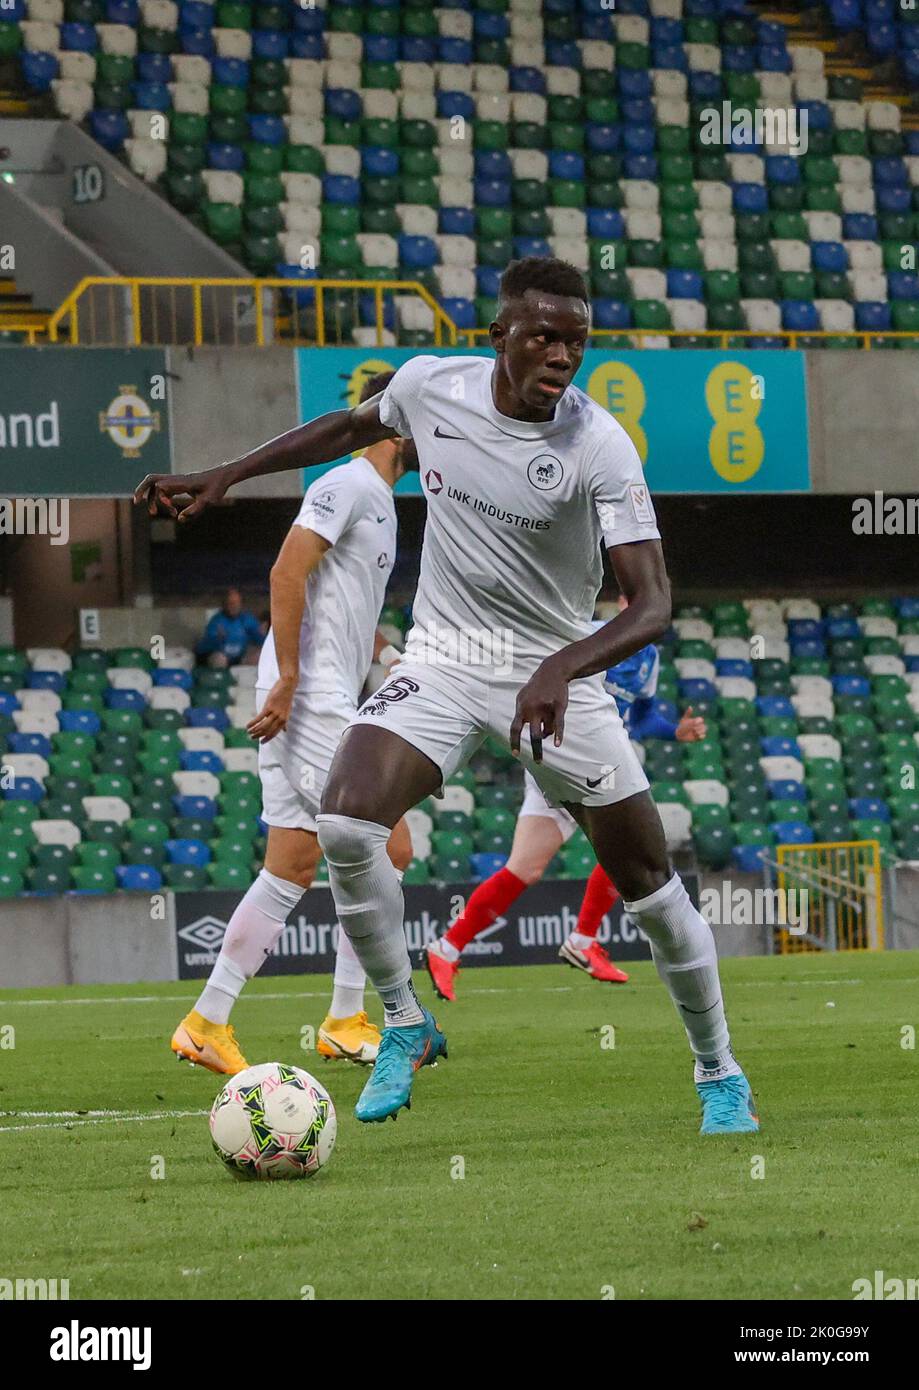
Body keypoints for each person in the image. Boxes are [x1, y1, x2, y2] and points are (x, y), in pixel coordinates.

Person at [137, 256, 758, 1137]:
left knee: (649, 888)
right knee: (349, 822)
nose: (560, 356)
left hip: (555, 672)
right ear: (498, 334)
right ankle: (401, 1021)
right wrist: (227, 476)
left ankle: (718, 1070)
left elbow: (652, 603)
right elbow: (342, 428)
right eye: (542, 336)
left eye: (575, 341)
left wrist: (562, 667)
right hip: (441, 657)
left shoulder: (598, 445)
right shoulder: (430, 387)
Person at [171, 372, 417, 1075]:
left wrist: (390, 658)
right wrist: (288, 678)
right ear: (395, 424)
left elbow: (343, 610)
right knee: (388, 846)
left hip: (318, 693)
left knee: (293, 863)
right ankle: (345, 1017)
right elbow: (285, 572)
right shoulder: (345, 486)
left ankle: (207, 1021)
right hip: (309, 699)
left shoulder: (379, 503)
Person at [424, 600, 707, 998]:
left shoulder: (649, 659)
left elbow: (641, 717)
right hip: (568, 754)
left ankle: (446, 948)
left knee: (524, 868)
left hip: (579, 763)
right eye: (631, 598)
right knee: (629, 844)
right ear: (621, 603)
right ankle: (582, 940)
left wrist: (674, 732)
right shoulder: (583, 632)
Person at [196, 588, 264, 668]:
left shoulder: (248, 620)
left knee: (261, 656)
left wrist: (263, 635)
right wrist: (218, 639)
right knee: (220, 659)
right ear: (224, 605)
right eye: (231, 603)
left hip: (239, 658)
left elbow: (260, 641)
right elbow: (205, 646)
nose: (234, 606)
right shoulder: (216, 621)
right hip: (219, 657)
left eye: (236, 603)